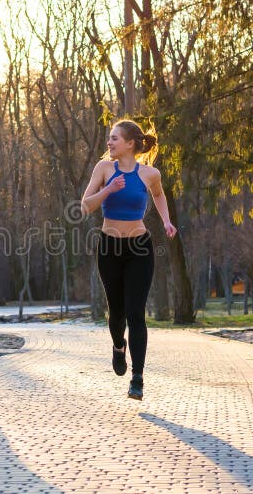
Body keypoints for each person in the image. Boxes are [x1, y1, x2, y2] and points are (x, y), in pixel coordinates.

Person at [81, 119, 177, 400]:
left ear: (130, 144)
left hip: (140, 248)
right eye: (109, 138)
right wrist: (108, 190)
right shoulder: (103, 169)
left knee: (136, 313)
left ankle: (137, 378)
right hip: (109, 248)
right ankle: (117, 345)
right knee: (117, 312)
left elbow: (158, 196)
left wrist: (167, 221)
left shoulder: (150, 173)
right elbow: (85, 205)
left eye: (114, 138)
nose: (109, 143)